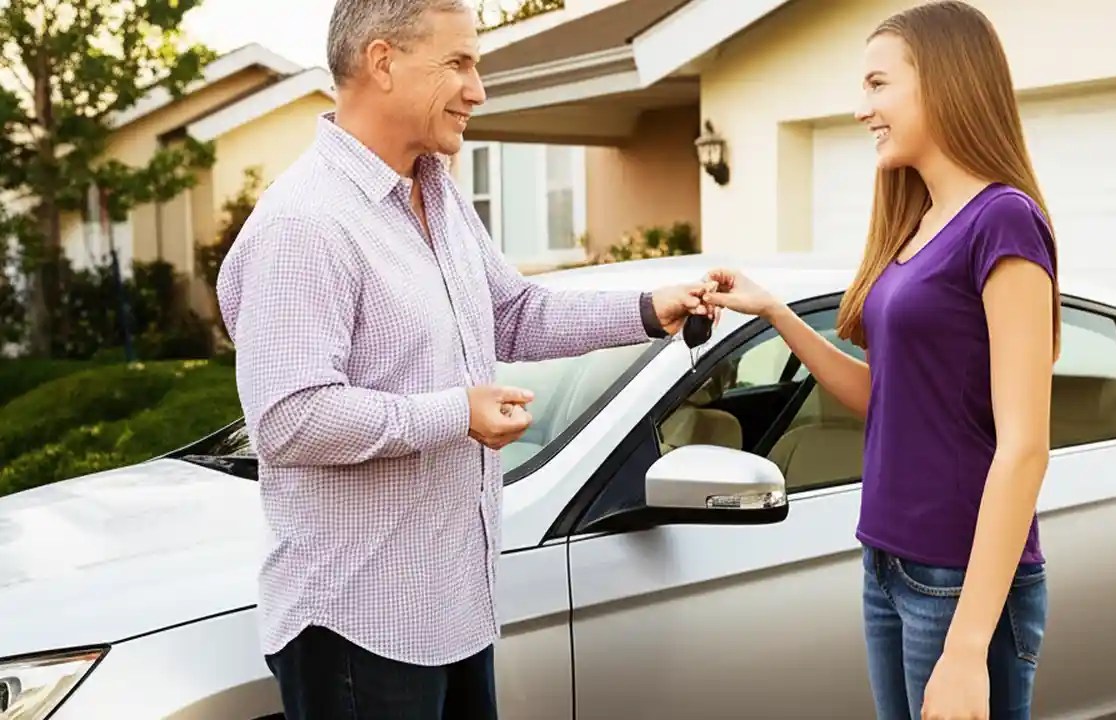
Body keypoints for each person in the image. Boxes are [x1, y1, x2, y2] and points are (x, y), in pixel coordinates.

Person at [214, 1, 714, 718]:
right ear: (382, 62)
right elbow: (289, 420)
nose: (479, 90)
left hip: (453, 610)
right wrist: (457, 414)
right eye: (459, 63)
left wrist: (648, 307)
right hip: (360, 626)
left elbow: (510, 313)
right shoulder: (305, 224)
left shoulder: (438, 194)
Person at [702, 2, 1058, 719]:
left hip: (958, 577)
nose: (861, 108)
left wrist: (966, 650)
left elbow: (1024, 449)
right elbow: (886, 398)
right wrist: (775, 313)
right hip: (888, 560)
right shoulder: (920, 223)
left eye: (877, 84)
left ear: (946, 81)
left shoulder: (1003, 221)